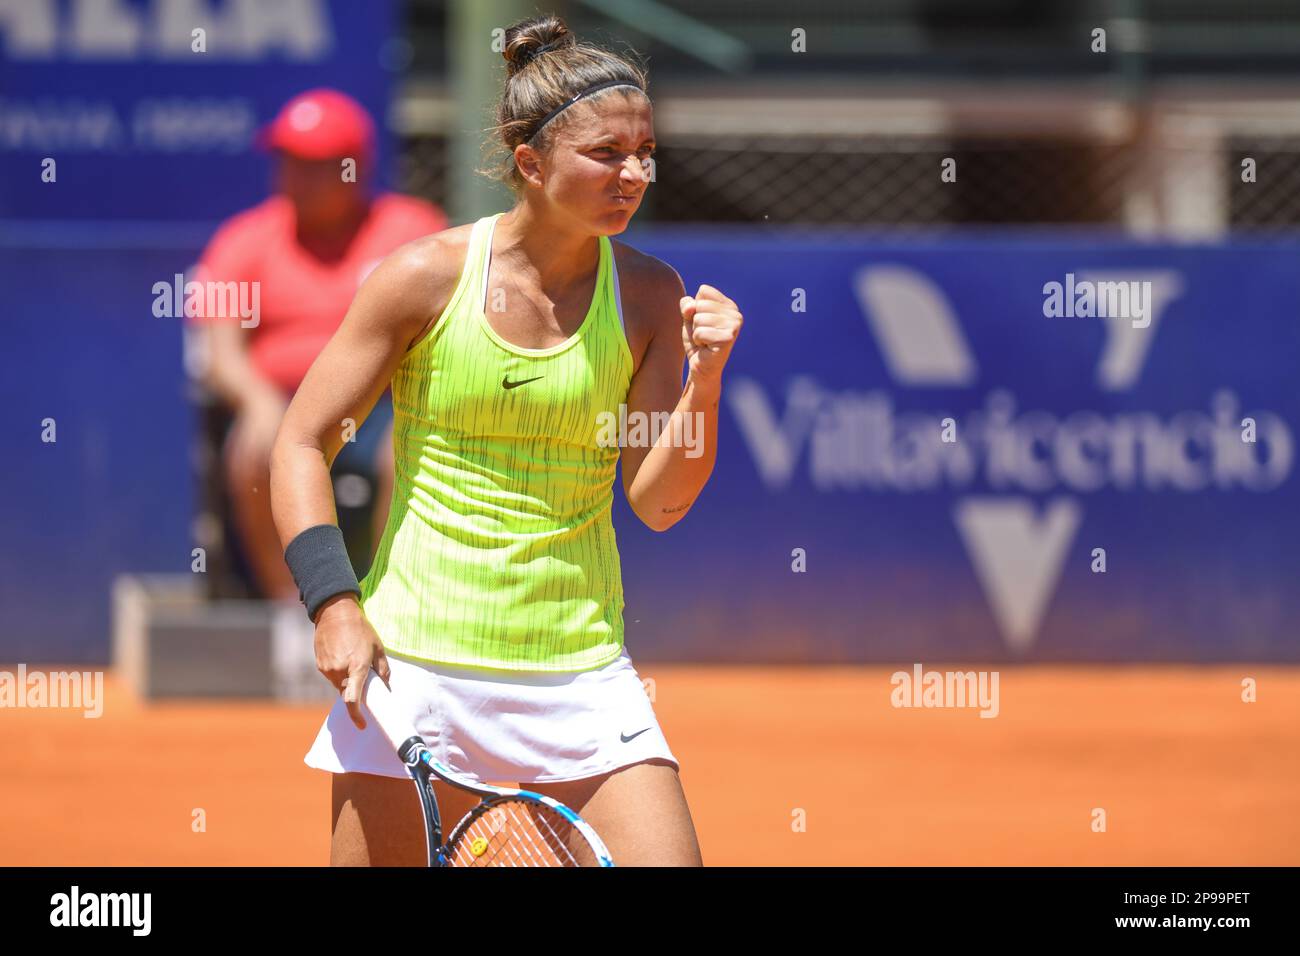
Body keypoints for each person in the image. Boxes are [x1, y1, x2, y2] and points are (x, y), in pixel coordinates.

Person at [273, 16, 743, 866]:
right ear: (531, 164)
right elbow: (302, 442)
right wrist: (335, 606)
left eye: (645, 151)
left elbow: (661, 502)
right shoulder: (422, 279)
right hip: (415, 670)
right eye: (607, 153)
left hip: (583, 673)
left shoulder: (647, 297)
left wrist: (703, 383)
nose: (634, 172)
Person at [191, 88, 448, 601]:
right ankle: (293, 608)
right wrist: (258, 402)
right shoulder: (246, 238)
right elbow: (221, 352)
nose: (294, 177)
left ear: (354, 167)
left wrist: (414, 406)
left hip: (386, 404)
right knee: (252, 446)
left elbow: (448, 338)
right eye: (287, 161)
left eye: (314, 165)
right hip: (285, 404)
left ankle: (386, 602)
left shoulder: (411, 230)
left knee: (418, 445)